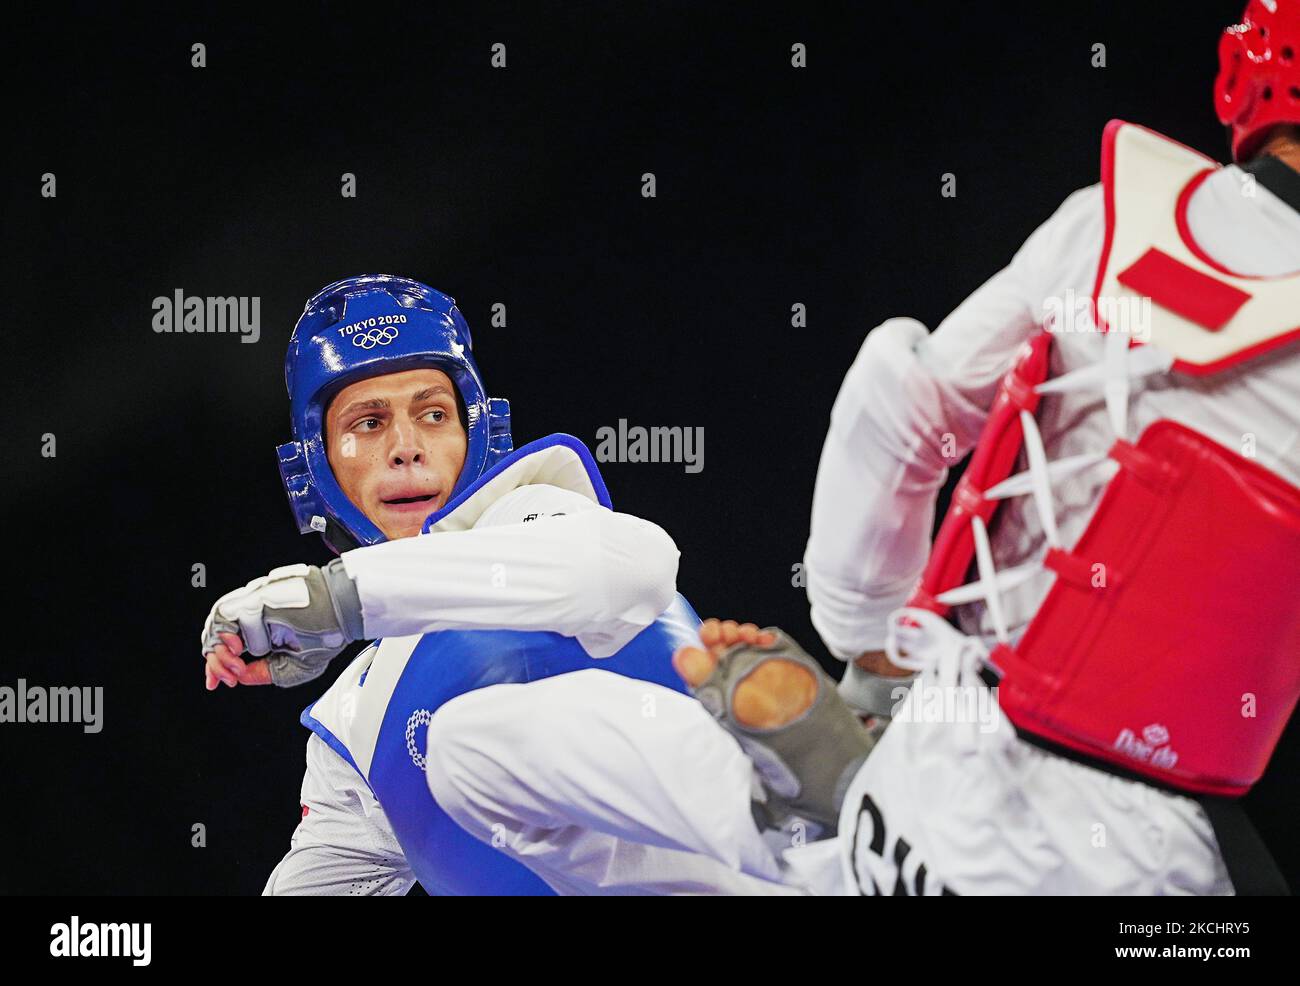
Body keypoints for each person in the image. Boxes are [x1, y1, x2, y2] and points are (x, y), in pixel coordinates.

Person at [422, 1, 1300, 895]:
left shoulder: (1107, 223)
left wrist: (872, 665)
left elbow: (895, 401)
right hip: (1129, 861)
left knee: (469, 750)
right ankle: (842, 797)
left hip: (933, 749)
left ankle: (846, 776)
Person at [199, 274, 726, 895]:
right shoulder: (352, 725)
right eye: (368, 423)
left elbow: (636, 565)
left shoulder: (537, 519)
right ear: (316, 469)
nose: (406, 448)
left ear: (476, 437)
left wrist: (339, 600)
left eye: (433, 414)